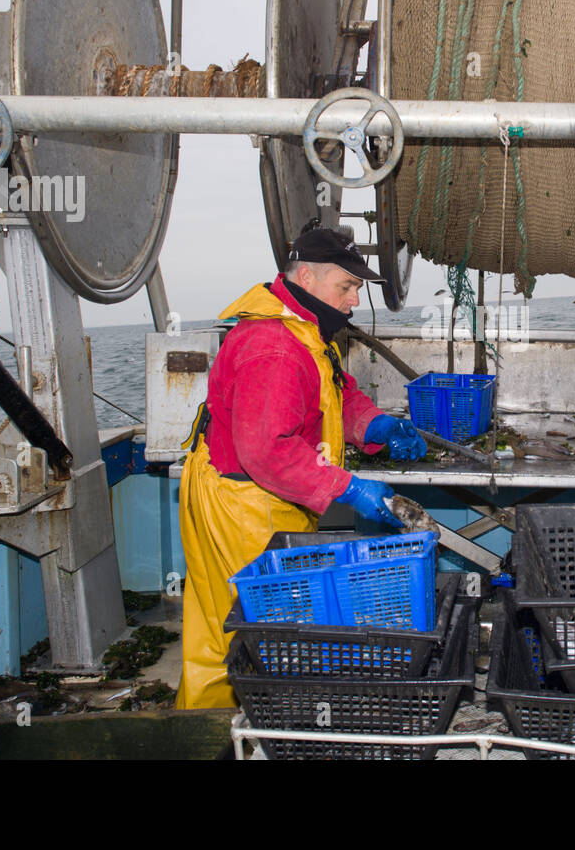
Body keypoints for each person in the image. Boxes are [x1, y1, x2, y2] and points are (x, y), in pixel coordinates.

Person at [175, 227, 428, 709]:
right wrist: (350, 488)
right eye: (346, 287)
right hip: (241, 504)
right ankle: (223, 731)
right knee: (244, 632)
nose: (354, 301)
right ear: (307, 275)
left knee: (259, 627)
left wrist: (376, 426)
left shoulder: (305, 329)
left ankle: (259, 719)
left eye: (357, 289)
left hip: (266, 496)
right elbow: (268, 451)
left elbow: (337, 392)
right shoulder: (273, 345)